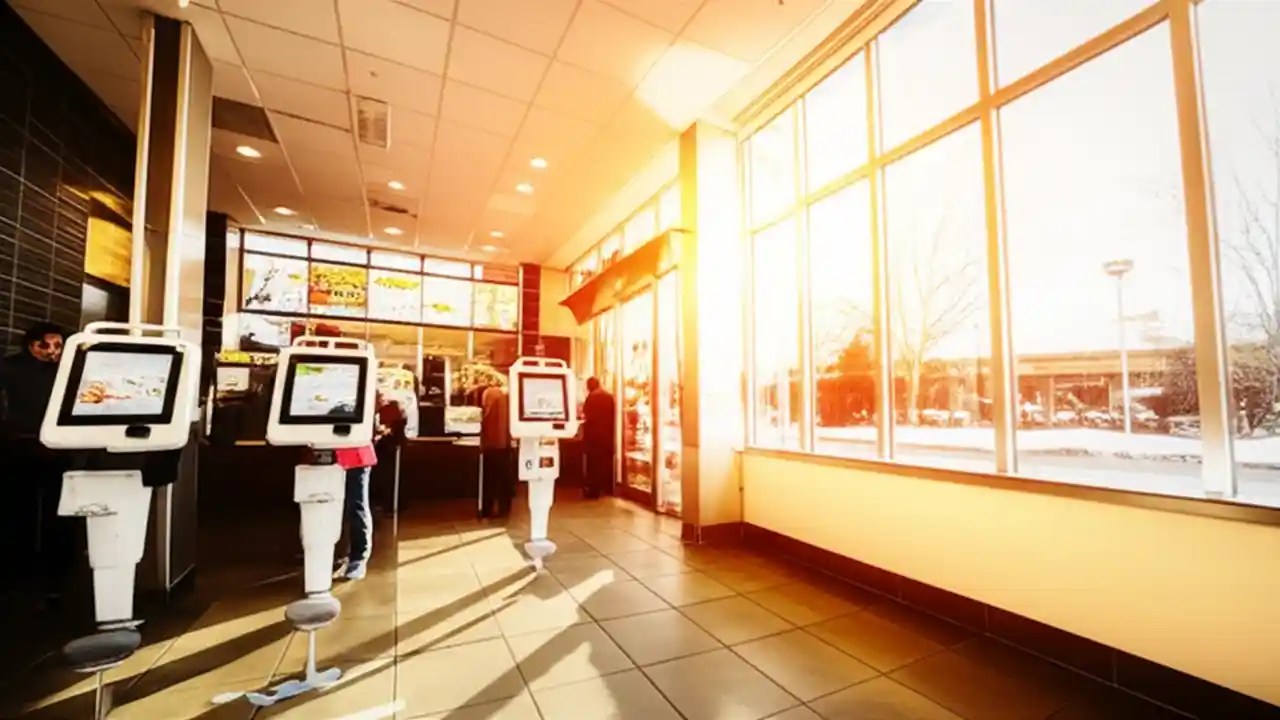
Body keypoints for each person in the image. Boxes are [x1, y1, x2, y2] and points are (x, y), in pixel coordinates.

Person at [0, 322, 72, 606]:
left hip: (55, 445)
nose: (52, 351)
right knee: (20, 508)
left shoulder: (65, 369)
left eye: (57, 345)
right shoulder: (12, 366)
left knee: (57, 510)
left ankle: (54, 571)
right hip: (21, 443)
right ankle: (20, 568)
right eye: (45, 345)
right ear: (31, 345)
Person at [333, 400, 386, 581]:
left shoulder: (360, 384)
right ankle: (338, 556)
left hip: (355, 454)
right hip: (331, 453)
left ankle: (358, 557)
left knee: (356, 504)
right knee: (332, 507)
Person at [479, 377, 514, 518]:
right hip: (504, 444)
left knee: (489, 479)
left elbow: (485, 417)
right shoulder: (507, 399)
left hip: (490, 445)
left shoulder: (488, 396)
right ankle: (504, 509)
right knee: (504, 479)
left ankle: (487, 509)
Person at [582, 377, 616, 499]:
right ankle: (606, 487)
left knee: (593, 464)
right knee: (604, 463)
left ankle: (593, 490)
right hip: (607, 436)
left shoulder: (591, 398)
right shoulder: (609, 397)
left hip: (593, 437)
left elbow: (586, 414)